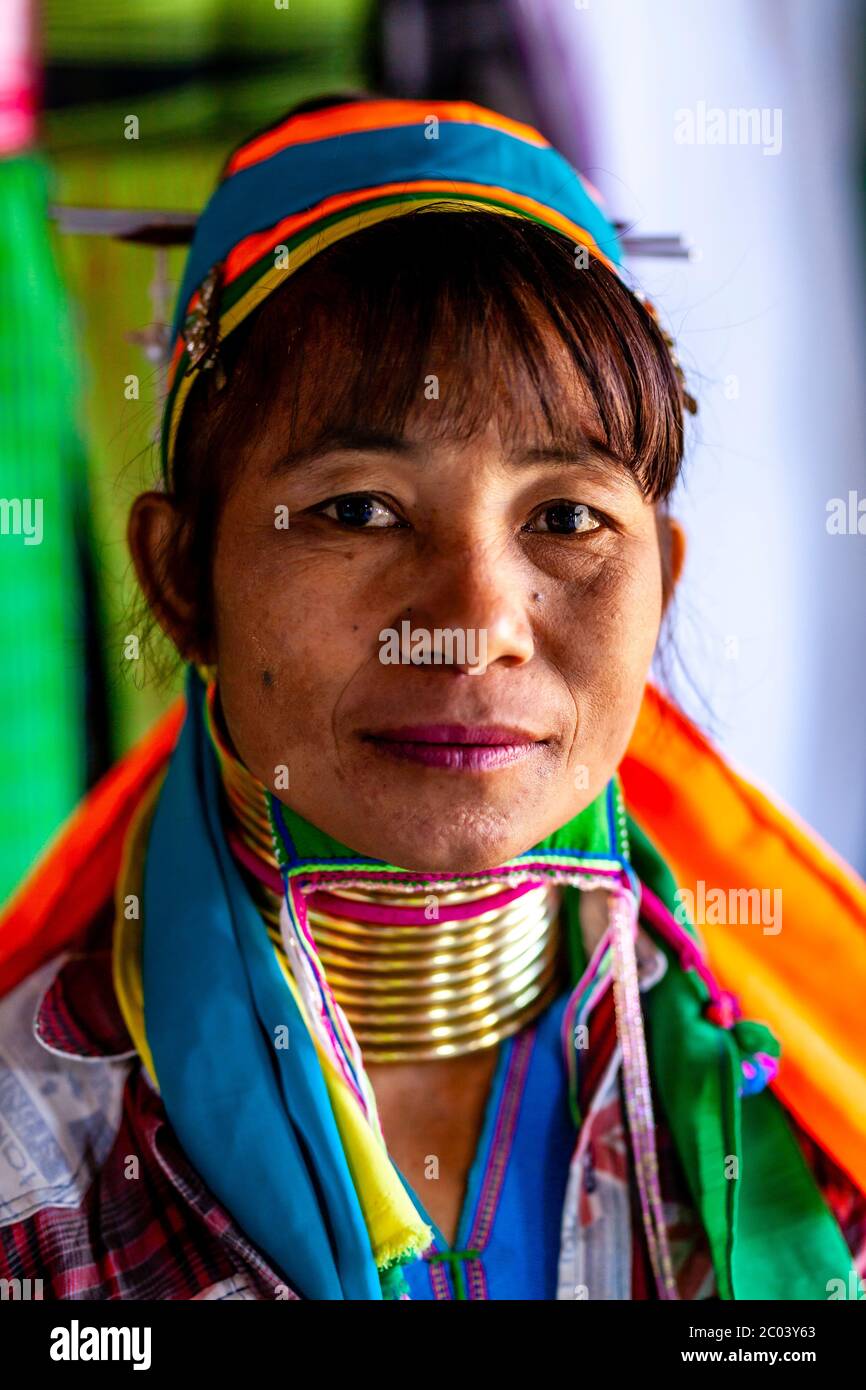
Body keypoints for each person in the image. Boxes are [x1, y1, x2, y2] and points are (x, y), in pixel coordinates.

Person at [1, 92, 864, 1302]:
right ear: (182, 576)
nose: (472, 623)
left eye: (565, 518)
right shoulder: (33, 1184)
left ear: (659, 582)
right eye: (357, 510)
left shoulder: (803, 1122)